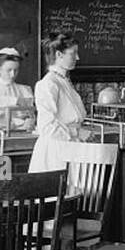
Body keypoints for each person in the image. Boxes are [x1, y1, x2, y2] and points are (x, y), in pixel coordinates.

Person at [29, 32, 87, 172]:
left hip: (69, 148)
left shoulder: (63, 81)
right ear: (59, 55)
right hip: (56, 153)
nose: (77, 57)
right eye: (73, 53)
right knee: (60, 192)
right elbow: (47, 126)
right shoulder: (48, 84)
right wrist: (77, 133)